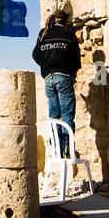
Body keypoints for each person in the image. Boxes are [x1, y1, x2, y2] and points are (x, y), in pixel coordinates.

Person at [32, 9, 80, 153]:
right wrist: (71, 74)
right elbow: (76, 59)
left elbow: (35, 55)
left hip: (48, 78)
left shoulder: (44, 34)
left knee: (53, 114)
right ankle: (68, 148)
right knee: (67, 115)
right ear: (65, 20)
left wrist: (47, 67)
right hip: (64, 77)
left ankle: (57, 148)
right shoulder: (69, 35)